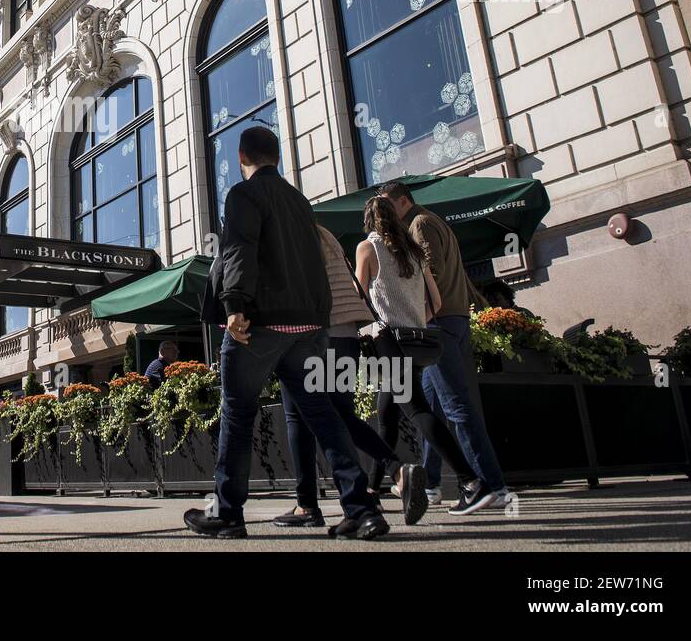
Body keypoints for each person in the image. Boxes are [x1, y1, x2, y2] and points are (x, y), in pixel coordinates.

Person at [183, 126, 387, 541]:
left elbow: (239, 247)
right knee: (323, 415)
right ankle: (362, 510)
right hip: (308, 326)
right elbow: (314, 262)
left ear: (242, 158)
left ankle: (228, 514)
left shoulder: (243, 195)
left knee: (238, 414)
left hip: (259, 324)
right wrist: (319, 314)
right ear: (277, 157)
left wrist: (235, 304)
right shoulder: (299, 201)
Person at [274, 224, 427, 527]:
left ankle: (308, 505)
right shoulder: (324, 234)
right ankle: (397, 473)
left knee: (298, 417)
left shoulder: (288, 233)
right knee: (341, 414)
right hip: (347, 333)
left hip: (313, 334)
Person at [380, 182, 510, 514]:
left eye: (387, 205)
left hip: (438, 324)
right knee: (431, 408)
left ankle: (490, 486)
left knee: (456, 407)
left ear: (403, 201)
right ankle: (432, 484)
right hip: (452, 319)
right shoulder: (435, 221)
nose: (383, 213)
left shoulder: (419, 224)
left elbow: (430, 270)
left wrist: (416, 313)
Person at [357, 196, 485, 514]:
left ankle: (471, 481)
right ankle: (372, 490)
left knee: (416, 410)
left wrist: (371, 327)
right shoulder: (413, 250)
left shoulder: (367, 248)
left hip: (389, 341)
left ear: (369, 221)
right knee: (386, 415)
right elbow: (437, 302)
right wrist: (416, 319)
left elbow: (359, 299)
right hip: (417, 341)